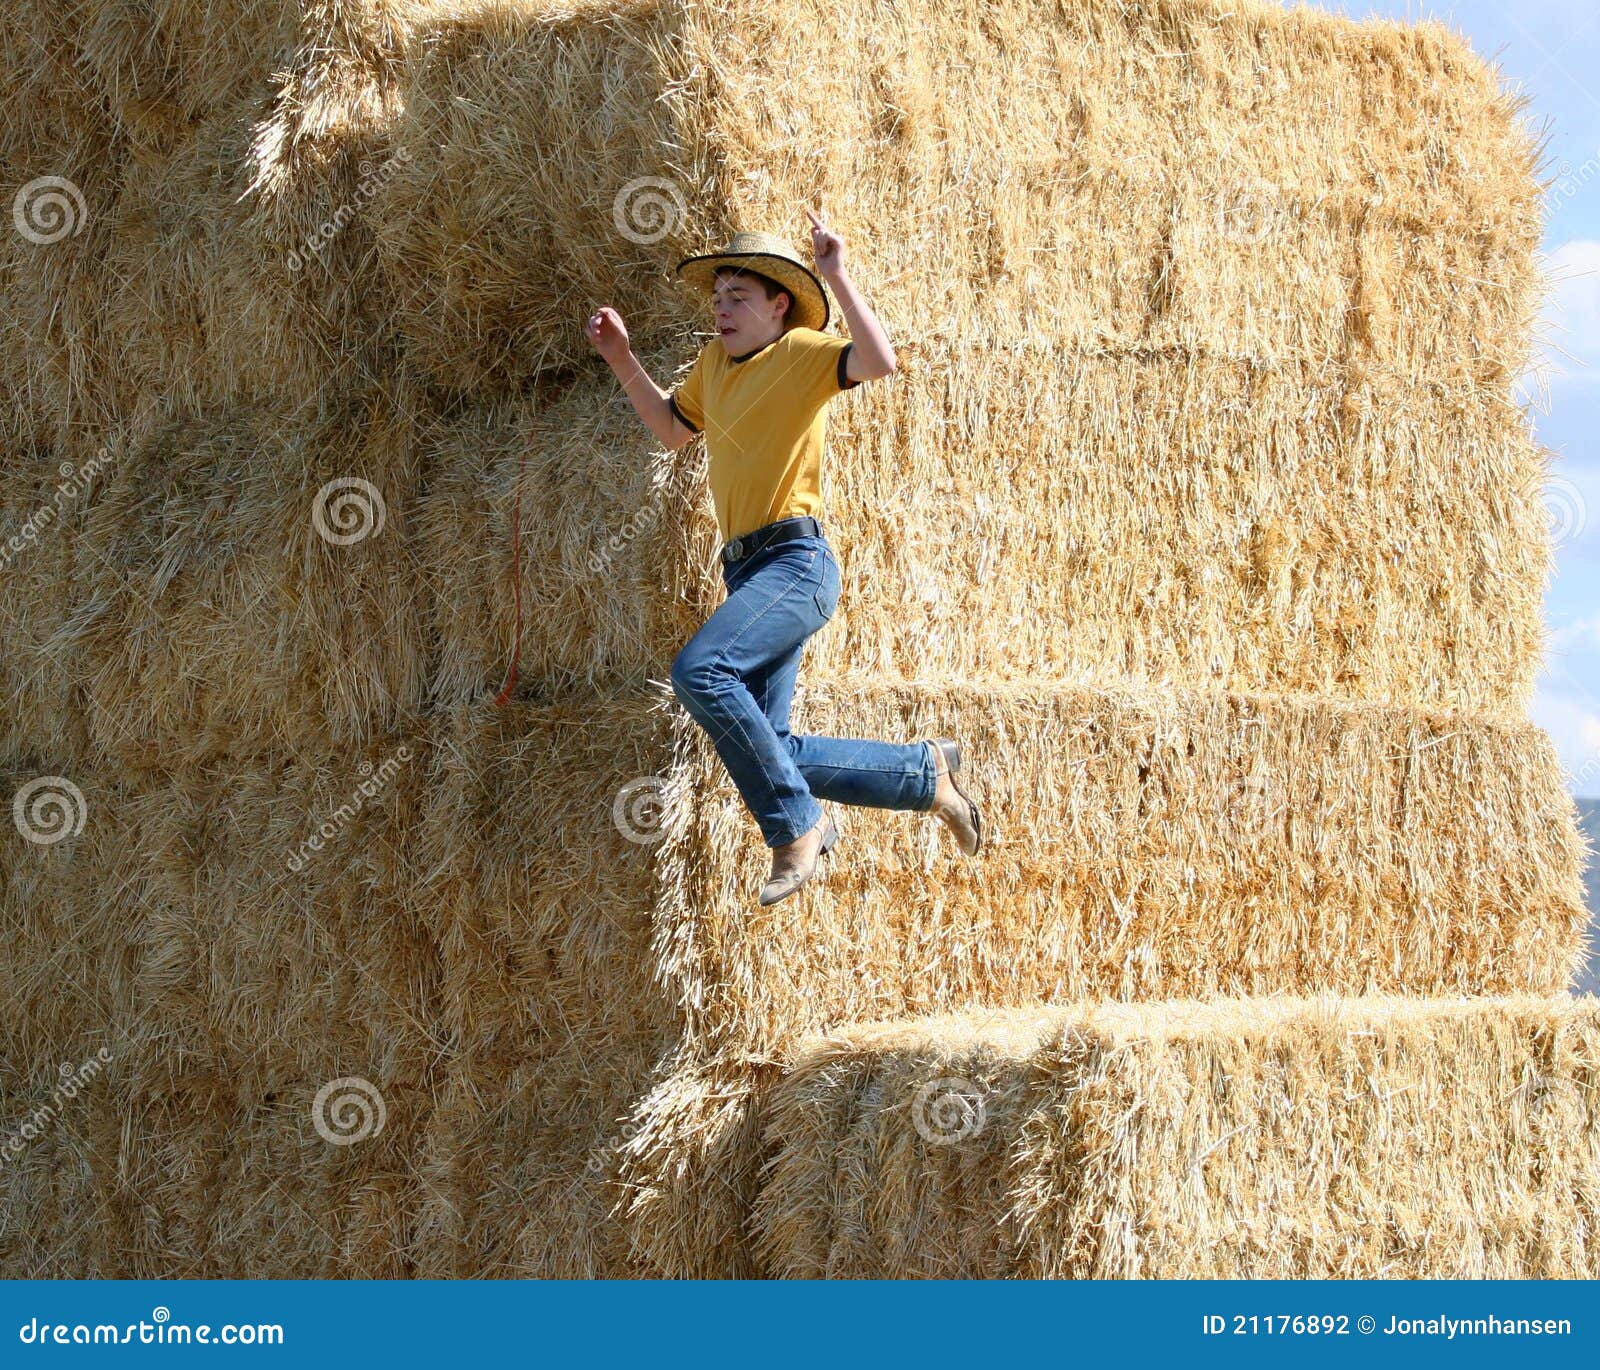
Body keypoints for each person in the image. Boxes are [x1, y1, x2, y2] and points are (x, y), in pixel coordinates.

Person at [586, 209, 982, 906]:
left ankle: (798, 830)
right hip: (745, 571)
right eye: (717, 297)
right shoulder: (713, 366)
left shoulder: (802, 353)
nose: (722, 308)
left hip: (796, 563)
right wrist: (622, 358)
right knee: (777, 750)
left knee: (701, 671)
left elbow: (881, 360)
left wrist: (837, 275)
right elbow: (673, 431)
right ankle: (927, 775)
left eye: (738, 297)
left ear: (779, 306)